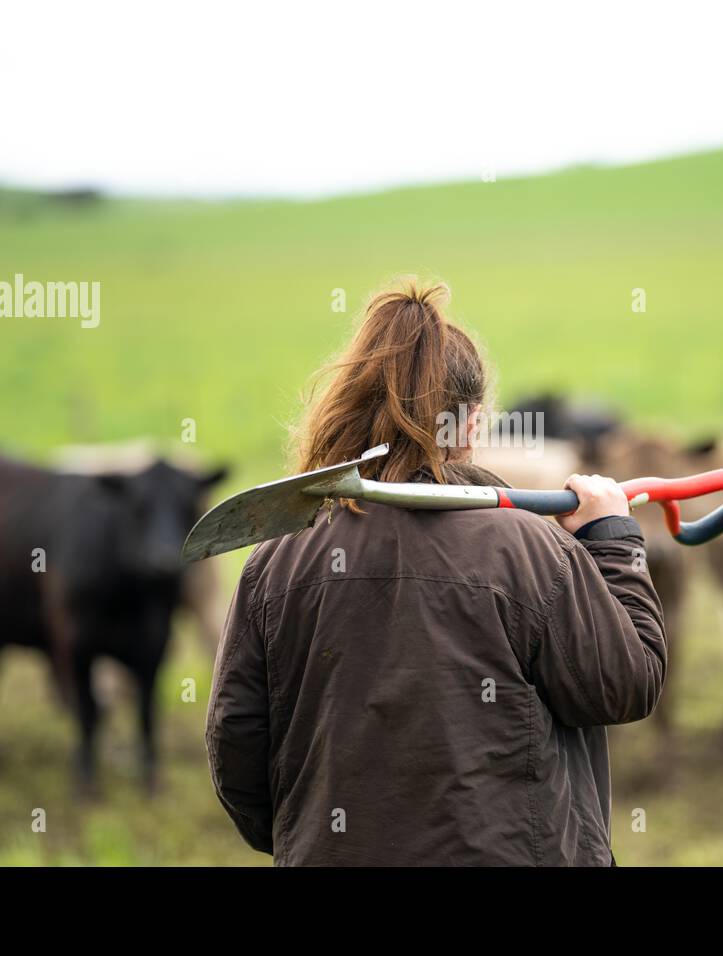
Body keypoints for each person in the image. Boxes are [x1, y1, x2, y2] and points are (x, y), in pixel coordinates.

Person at [205, 279, 665, 865]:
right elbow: (627, 684)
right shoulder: (529, 549)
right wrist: (613, 542)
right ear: (471, 425)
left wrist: (308, 835)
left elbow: (237, 739)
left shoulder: (275, 561)